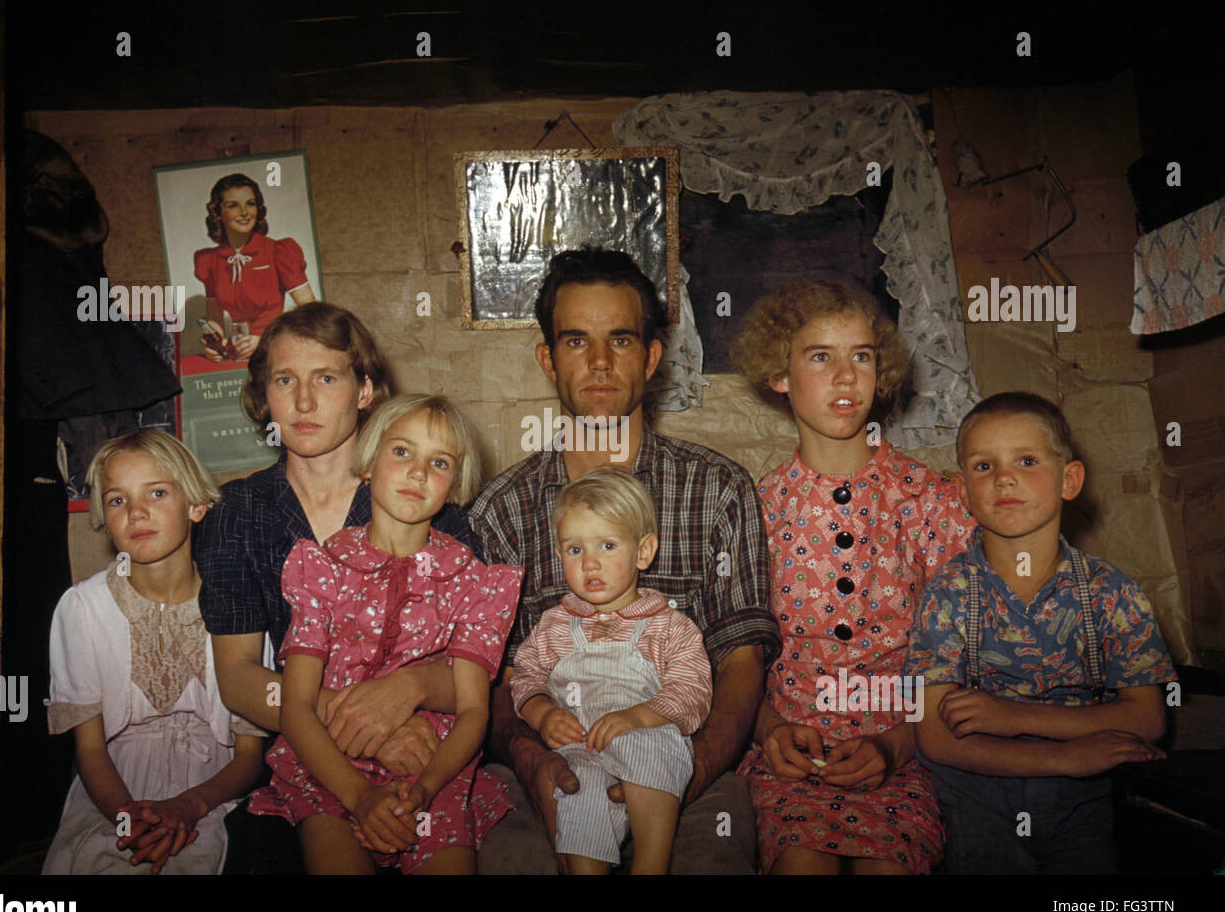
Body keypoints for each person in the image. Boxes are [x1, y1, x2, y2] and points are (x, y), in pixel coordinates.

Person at [470, 246, 779, 874]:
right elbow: (495, 679)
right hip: (553, 769)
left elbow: (741, 660)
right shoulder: (500, 512)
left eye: (621, 339)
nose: (601, 362)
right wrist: (534, 764)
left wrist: (678, 779)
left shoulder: (718, 490)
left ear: (653, 357)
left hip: (693, 768)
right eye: (576, 341)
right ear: (547, 360)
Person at [194, 301, 478, 873]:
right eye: (284, 380)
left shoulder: (423, 500)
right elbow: (241, 679)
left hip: (428, 752)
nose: (303, 402)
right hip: (307, 759)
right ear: (263, 395)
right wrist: (361, 727)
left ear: (365, 390)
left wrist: (415, 690)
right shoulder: (239, 514)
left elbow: (480, 669)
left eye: (326, 378)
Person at [730, 278, 973, 875]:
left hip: (907, 751)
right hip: (788, 761)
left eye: (860, 356)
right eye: (821, 356)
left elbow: (967, 658)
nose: (846, 376)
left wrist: (898, 744)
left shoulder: (931, 500)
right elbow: (735, 660)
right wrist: (770, 731)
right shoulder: (753, 509)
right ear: (778, 374)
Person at [248, 394, 522, 873]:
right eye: (402, 452)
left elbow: (475, 710)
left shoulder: (475, 581)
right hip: (330, 767)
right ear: (370, 462)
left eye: (438, 463)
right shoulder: (321, 567)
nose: (418, 473)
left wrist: (423, 790)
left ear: (453, 484)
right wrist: (359, 798)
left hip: (435, 766)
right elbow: (295, 704)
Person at [905, 391, 1176, 874]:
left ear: (1070, 480)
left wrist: (1014, 717)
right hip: (974, 789)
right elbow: (935, 739)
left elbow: (1148, 719)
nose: (1004, 477)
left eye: (1026, 460)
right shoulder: (946, 594)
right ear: (964, 493)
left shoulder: (1113, 593)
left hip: (1083, 794)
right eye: (983, 466)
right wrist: (1060, 757)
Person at [43, 430, 264, 874]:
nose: (137, 512)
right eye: (117, 500)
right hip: (112, 788)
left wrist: (190, 805)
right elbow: (89, 750)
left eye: (157, 493)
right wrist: (129, 817)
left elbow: (249, 757)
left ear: (196, 506)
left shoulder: (240, 606)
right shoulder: (82, 609)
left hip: (214, 791)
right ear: (104, 518)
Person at [511, 467, 712, 874]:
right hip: (581, 747)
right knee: (578, 790)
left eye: (606, 545)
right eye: (574, 549)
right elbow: (524, 676)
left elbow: (693, 690)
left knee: (651, 745)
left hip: (645, 737)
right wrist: (542, 713)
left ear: (643, 551)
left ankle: (651, 864)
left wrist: (639, 716)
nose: (590, 564)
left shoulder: (667, 624)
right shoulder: (555, 624)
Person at [195, 172, 316, 361]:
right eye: (233, 206)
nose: (244, 212)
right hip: (238, 354)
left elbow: (312, 311)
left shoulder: (279, 251)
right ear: (218, 213)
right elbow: (214, 317)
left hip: (275, 352)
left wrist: (265, 340)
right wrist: (214, 344)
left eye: (250, 204)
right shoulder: (210, 261)